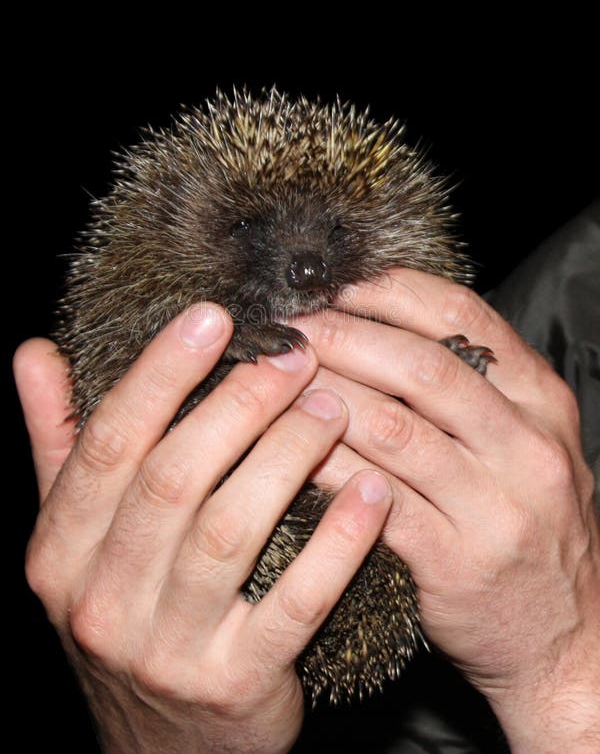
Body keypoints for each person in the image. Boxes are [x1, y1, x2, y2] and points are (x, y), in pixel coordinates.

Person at [15, 203, 599, 753]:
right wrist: (166, 736)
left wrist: (561, 673)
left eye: (338, 236)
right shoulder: (555, 313)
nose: (307, 260)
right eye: (248, 229)